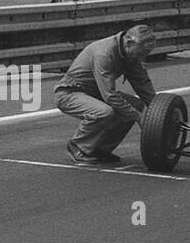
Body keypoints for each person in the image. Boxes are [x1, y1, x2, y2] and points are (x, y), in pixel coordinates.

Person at [55, 25, 158, 165]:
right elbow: (109, 95)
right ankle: (78, 146)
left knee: (136, 105)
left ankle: (100, 149)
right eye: (140, 54)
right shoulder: (104, 54)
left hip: (94, 93)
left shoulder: (129, 55)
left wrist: (159, 112)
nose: (142, 57)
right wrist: (139, 118)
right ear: (129, 43)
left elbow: (143, 85)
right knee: (104, 112)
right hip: (70, 93)